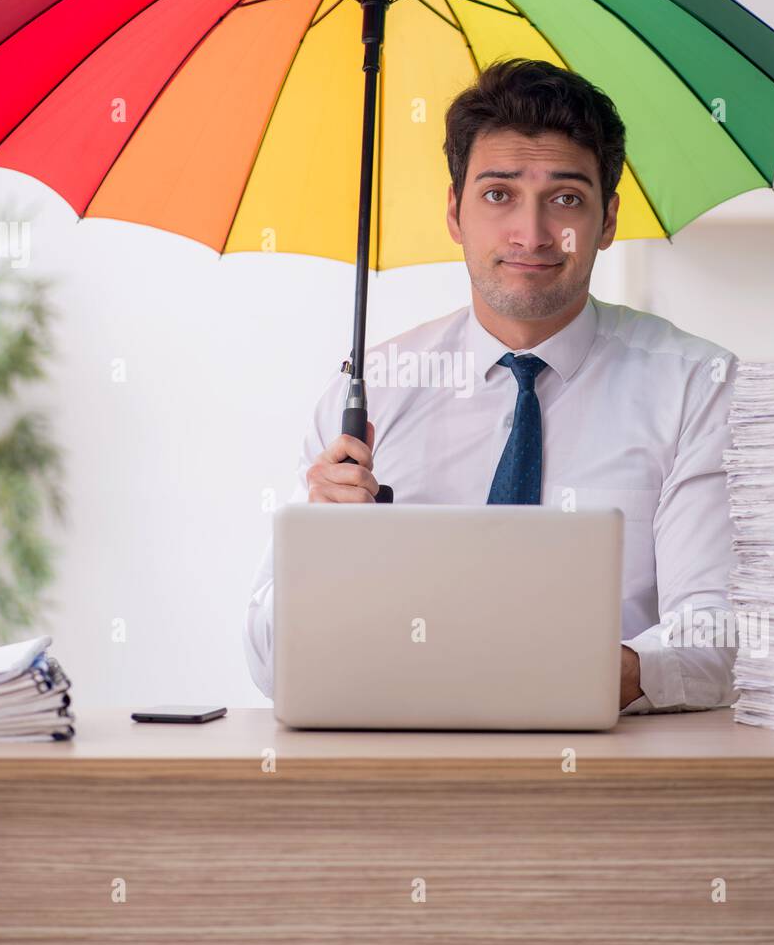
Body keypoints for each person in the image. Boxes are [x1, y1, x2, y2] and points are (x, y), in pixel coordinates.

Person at [243, 58, 739, 714]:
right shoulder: (366, 397)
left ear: (608, 220)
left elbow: (717, 635)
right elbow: (270, 664)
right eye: (498, 195)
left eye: (566, 199)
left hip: (611, 759)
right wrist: (320, 548)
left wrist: (554, 674)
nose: (531, 234)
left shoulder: (697, 388)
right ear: (455, 212)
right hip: (396, 759)